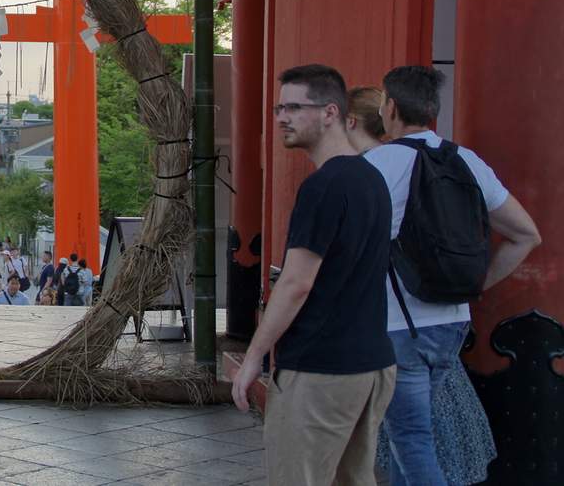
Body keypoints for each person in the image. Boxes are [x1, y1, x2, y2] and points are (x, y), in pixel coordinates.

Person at [365, 66, 540, 485]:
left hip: (397, 325)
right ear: (432, 110)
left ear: (390, 107)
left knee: (410, 440)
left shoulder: (377, 165)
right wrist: (475, 286)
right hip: (452, 323)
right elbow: (526, 235)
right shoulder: (466, 160)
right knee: (410, 440)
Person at [231, 64, 397, 486]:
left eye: (294, 108)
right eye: (279, 108)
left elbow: (296, 283)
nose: (282, 118)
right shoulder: (371, 179)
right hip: (371, 362)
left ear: (330, 112)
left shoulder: (323, 187)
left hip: (321, 367)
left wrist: (253, 359)